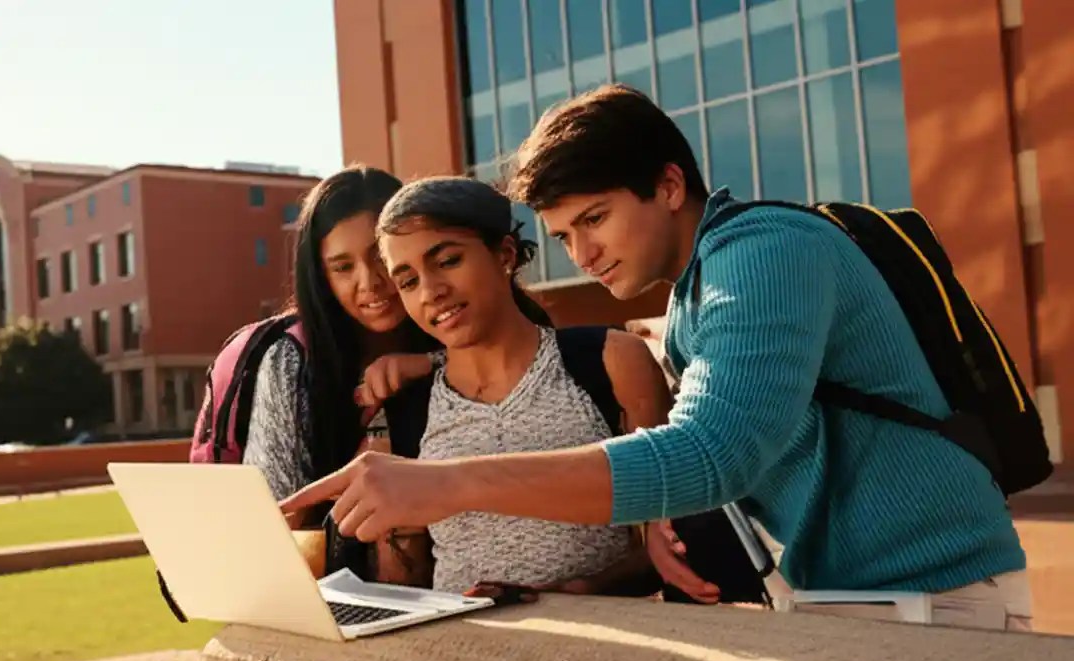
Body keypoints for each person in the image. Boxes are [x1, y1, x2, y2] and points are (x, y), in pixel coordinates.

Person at [282, 85, 1033, 630]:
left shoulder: (764, 253)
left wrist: (450, 484)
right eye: (565, 234)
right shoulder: (690, 300)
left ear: (670, 185)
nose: (583, 253)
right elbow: (751, 443)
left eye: (595, 218)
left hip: (935, 599)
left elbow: (714, 451)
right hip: (837, 600)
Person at [373, 176, 666, 595]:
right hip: (461, 636)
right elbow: (405, 580)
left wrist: (580, 591)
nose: (430, 292)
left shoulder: (611, 361)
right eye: (408, 282)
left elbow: (674, 535)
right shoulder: (406, 408)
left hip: (601, 631)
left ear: (505, 254)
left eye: (448, 261)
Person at [241, 165, 439, 584]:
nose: (370, 282)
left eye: (379, 256)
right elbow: (275, 514)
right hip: (333, 594)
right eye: (343, 267)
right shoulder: (292, 362)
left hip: (459, 590)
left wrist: (433, 364)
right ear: (321, 277)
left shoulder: (455, 328)